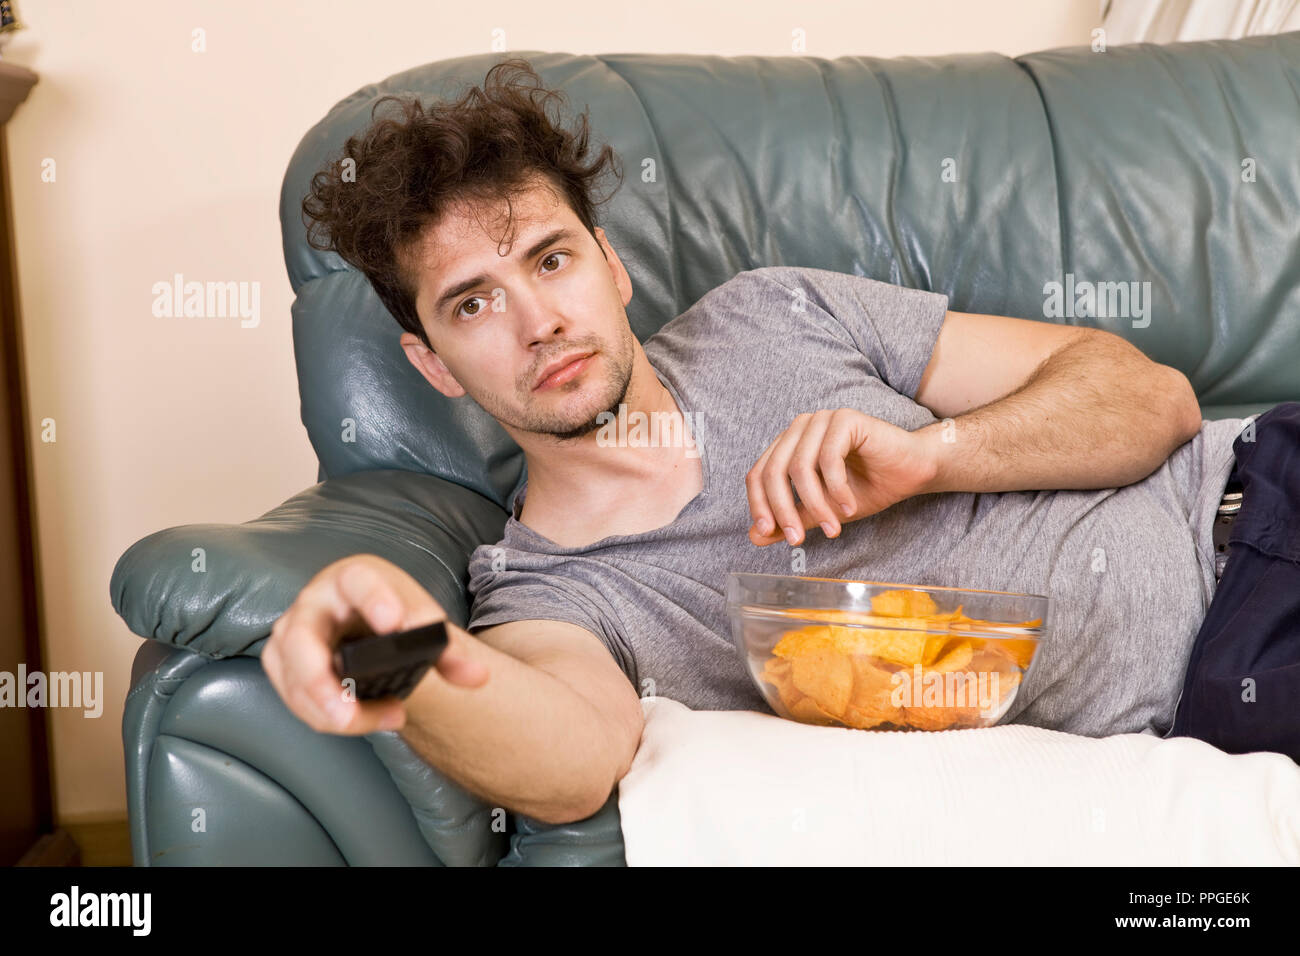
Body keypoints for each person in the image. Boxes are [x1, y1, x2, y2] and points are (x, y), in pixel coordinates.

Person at [262, 58, 1278, 827]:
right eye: (473, 301)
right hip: (1235, 661)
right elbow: (572, 756)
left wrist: (935, 455)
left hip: (1257, 478)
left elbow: (1151, 398)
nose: (537, 320)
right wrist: (401, 659)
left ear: (610, 267)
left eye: (551, 257)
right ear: (433, 361)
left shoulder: (770, 312)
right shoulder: (547, 590)